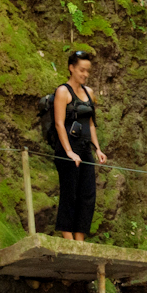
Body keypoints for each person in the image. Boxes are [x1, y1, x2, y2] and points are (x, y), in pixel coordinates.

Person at [52, 51, 108, 240]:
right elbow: (59, 123)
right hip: (67, 150)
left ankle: (80, 240)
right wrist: (69, 151)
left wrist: (97, 149)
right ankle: (69, 240)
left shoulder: (89, 93)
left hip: (85, 149)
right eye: (82, 70)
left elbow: (90, 124)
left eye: (87, 71)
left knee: (87, 194)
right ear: (72, 68)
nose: (85, 74)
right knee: (70, 194)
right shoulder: (63, 91)